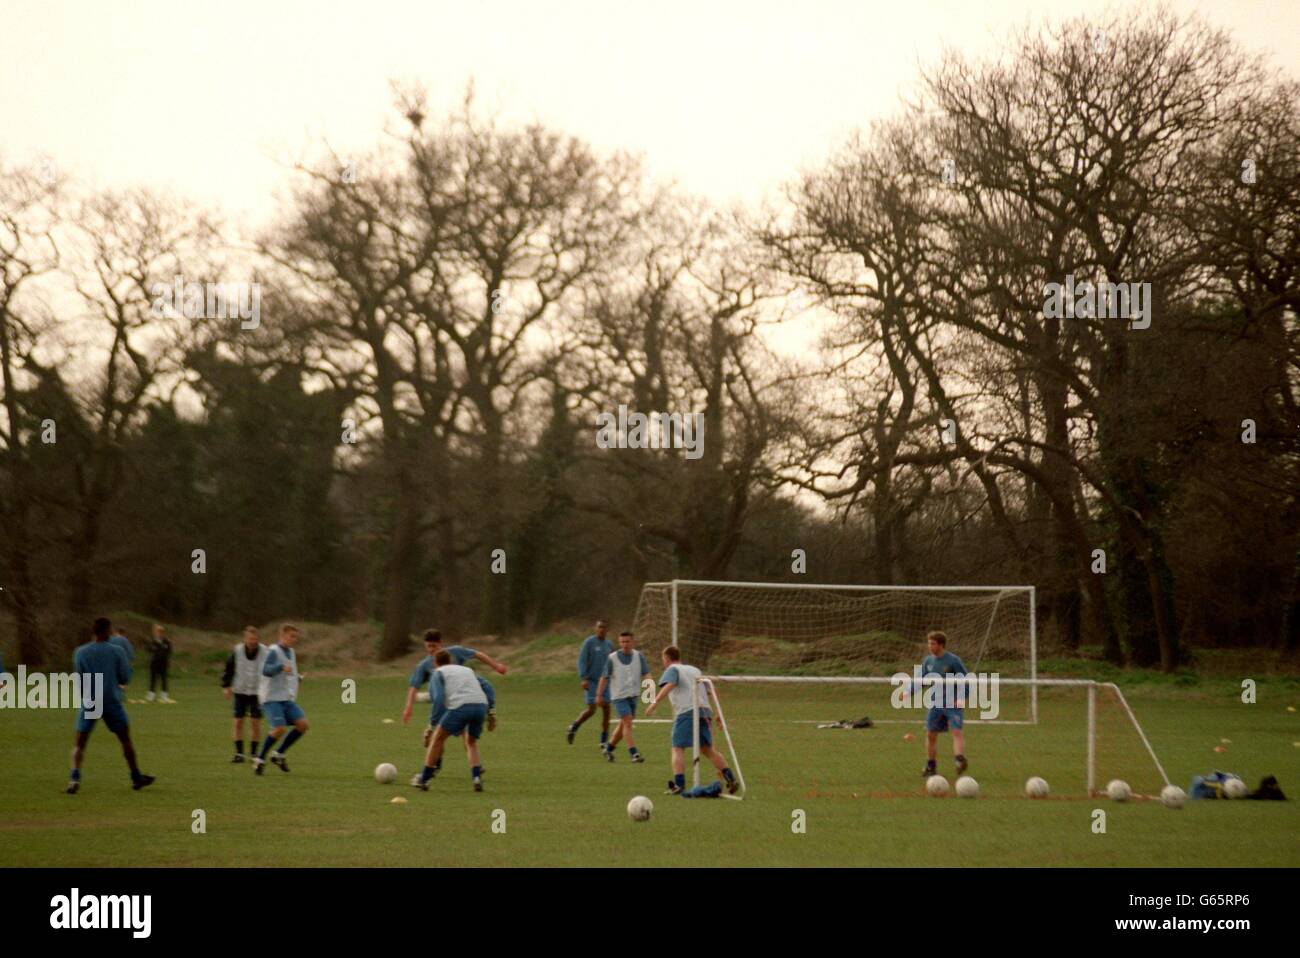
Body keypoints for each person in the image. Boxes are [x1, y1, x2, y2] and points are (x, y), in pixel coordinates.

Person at [67, 617, 155, 794]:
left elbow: (79, 679)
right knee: (125, 740)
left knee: (80, 743)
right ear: (107, 631)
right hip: (112, 701)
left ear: (93, 631)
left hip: (91, 700)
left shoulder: (80, 652)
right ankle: (135, 776)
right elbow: (125, 678)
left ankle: (74, 778)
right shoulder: (117, 651)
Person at [646, 645, 737, 795]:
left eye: (663, 660)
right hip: (705, 710)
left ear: (667, 659)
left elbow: (670, 684)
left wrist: (654, 703)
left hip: (687, 710)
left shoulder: (672, 670)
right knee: (707, 749)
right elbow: (711, 690)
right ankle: (730, 778)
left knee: (677, 747)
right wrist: (719, 713)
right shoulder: (695, 670)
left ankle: (679, 785)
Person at [411, 649, 496, 792]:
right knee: (471, 742)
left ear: (435, 663)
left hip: (461, 706)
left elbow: (438, 699)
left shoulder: (438, 673)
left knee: (437, 739)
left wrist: (431, 726)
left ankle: (424, 779)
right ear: (450, 660)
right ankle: (476, 777)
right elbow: (487, 686)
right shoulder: (467, 670)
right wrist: (491, 710)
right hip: (481, 705)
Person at [400, 629, 506, 726]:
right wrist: (408, 707)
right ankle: (432, 721)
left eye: (434, 646)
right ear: (425, 645)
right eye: (429, 646)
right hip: (445, 694)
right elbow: (414, 686)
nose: (431, 649)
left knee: (485, 684)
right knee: (439, 699)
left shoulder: (455, 651)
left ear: (440, 643)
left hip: (462, 686)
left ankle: (490, 712)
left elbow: (477, 654)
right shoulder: (424, 665)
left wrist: (496, 666)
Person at [252, 624, 309, 775]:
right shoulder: (273, 651)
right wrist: (280, 667)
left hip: (285, 698)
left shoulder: (290, 651)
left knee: (303, 725)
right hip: (271, 698)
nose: (294, 639)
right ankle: (260, 759)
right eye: (291, 636)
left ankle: (279, 754)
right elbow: (266, 670)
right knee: (279, 728)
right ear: (282, 636)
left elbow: (288, 674)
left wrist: (297, 678)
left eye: (296, 637)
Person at [914, 630, 969, 779]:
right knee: (931, 734)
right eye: (929, 643)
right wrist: (909, 691)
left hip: (952, 703)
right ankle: (931, 766)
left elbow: (966, 679)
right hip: (936, 703)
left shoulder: (953, 661)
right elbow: (921, 679)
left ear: (941, 645)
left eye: (933, 643)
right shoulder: (928, 661)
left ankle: (959, 759)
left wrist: (963, 697)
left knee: (956, 731)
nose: (930, 646)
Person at [595, 630, 649, 763]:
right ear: (619, 643)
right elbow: (604, 677)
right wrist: (599, 694)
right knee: (628, 722)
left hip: (633, 695)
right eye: (622, 642)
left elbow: (647, 674)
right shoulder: (612, 658)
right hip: (619, 697)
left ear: (633, 642)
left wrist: (650, 693)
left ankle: (608, 748)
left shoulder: (639, 656)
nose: (624, 644)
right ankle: (634, 754)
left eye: (627, 641)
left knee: (623, 725)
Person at [221, 626, 268, 763]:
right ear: (245, 639)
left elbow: (272, 668)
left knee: (255, 722)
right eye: (250, 638)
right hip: (240, 691)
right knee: (238, 722)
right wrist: (226, 686)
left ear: (258, 639)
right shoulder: (237, 651)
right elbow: (228, 669)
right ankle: (239, 753)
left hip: (257, 692)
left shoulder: (265, 651)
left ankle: (254, 754)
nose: (252, 641)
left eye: (255, 638)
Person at [566, 620, 613, 748]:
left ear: (607, 629)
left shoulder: (609, 644)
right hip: (591, 681)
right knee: (592, 709)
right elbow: (581, 660)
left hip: (605, 682)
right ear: (595, 628)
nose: (601, 629)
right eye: (599, 627)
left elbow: (612, 663)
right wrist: (583, 678)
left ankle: (603, 740)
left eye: (604, 627)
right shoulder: (589, 642)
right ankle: (574, 727)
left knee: (607, 709)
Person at [146, 624, 173, 703]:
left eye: (159, 632)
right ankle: (151, 696)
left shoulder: (166, 641)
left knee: (164, 680)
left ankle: (164, 697)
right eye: (156, 632)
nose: (157, 633)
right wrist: (152, 648)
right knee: (153, 679)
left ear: (162, 633)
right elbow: (148, 649)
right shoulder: (153, 641)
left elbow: (169, 651)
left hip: (163, 664)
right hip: (154, 663)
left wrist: (168, 660)